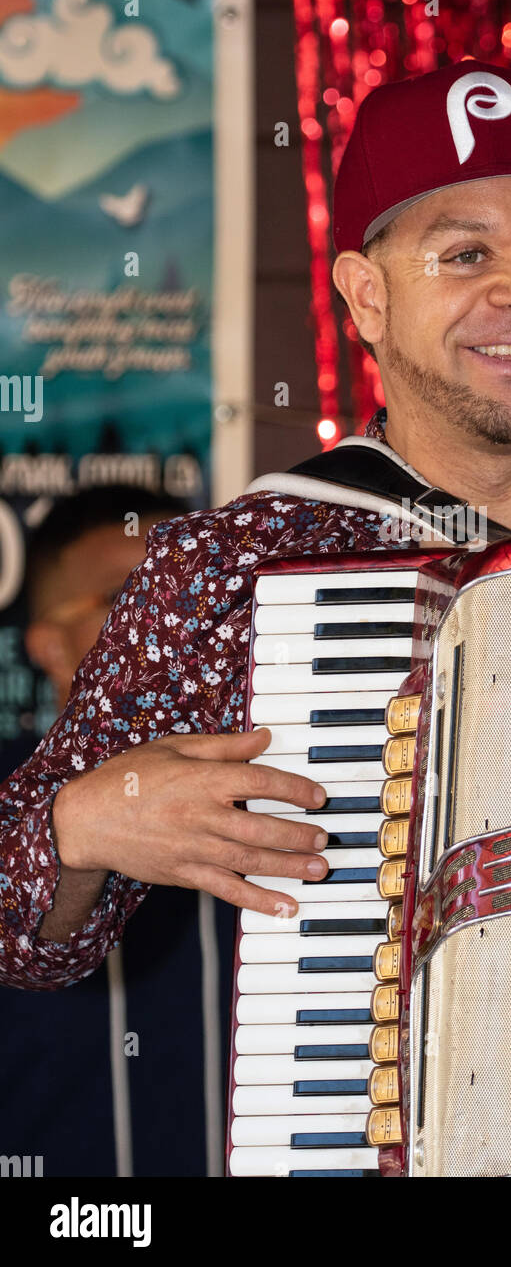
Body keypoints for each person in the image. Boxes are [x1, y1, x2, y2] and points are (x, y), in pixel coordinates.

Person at [0, 61, 511, 1011]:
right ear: (367, 298)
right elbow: (27, 936)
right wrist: (87, 822)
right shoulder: (239, 564)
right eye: (466, 255)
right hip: (370, 1117)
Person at [0, 488, 234, 1175]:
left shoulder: (289, 777)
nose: (177, 631)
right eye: (129, 603)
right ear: (48, 643)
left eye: (200, 599)